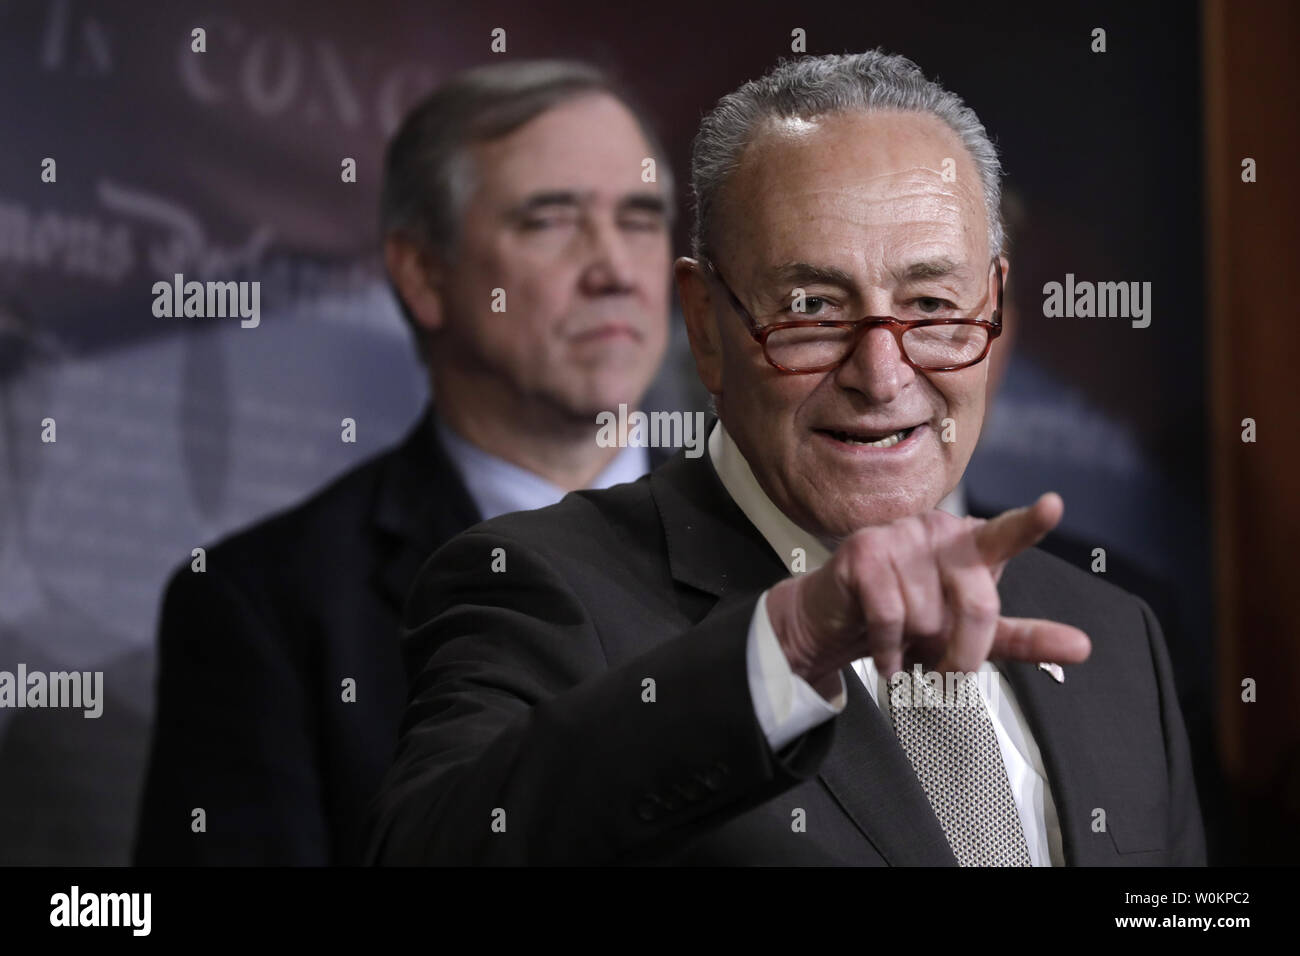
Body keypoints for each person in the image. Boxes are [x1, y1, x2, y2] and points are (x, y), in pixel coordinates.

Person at [365, 50, 1205, 866]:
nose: (881, 374)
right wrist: (788, 648)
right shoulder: (546, 588)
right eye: (812, 308)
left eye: (932, 304)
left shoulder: (1110, 633)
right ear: (704, 325)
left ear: (994, 304)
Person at [134, 60, 676, 865]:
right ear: (424, 272)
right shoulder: (265, 607)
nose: (616, 270)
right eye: (551, 220)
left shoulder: (783, 550)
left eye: (640, 220)